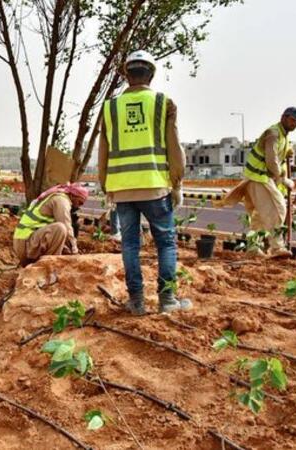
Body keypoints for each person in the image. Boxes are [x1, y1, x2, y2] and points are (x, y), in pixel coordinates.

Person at [98, 50, 190, 315]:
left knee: (129, 244)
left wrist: (106, 185)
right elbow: (174, 145)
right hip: (155, 185)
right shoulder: (163, 103)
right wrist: (178, 182)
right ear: (151, 74)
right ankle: (167, 299)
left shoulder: (110, 107)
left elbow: (103, 150)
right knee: (166, 242)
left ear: (127, 75)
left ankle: (136, 301)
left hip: (122, 188)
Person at [221, 107, 296, 257]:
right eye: (292, 120)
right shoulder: (273, 134)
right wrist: (283, 180)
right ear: (283, 118)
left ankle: (253, 247)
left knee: (260, 215)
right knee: (277, 208)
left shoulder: (283, 136)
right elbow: (271, 161)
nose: (295, 124)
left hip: (261, 177)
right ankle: (277, 247)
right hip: (258, 177)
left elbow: (278, 161)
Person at [13, 183, 89, 266]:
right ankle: (48, 265)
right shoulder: (61, 200)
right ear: (73, 195)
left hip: (25, 243)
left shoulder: (56, 197)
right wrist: (75, 250)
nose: (78, 206)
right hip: (25, 245)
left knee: (63, 244)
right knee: (60, 228)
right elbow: (66, 225)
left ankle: (41, 263)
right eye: (79, 202)